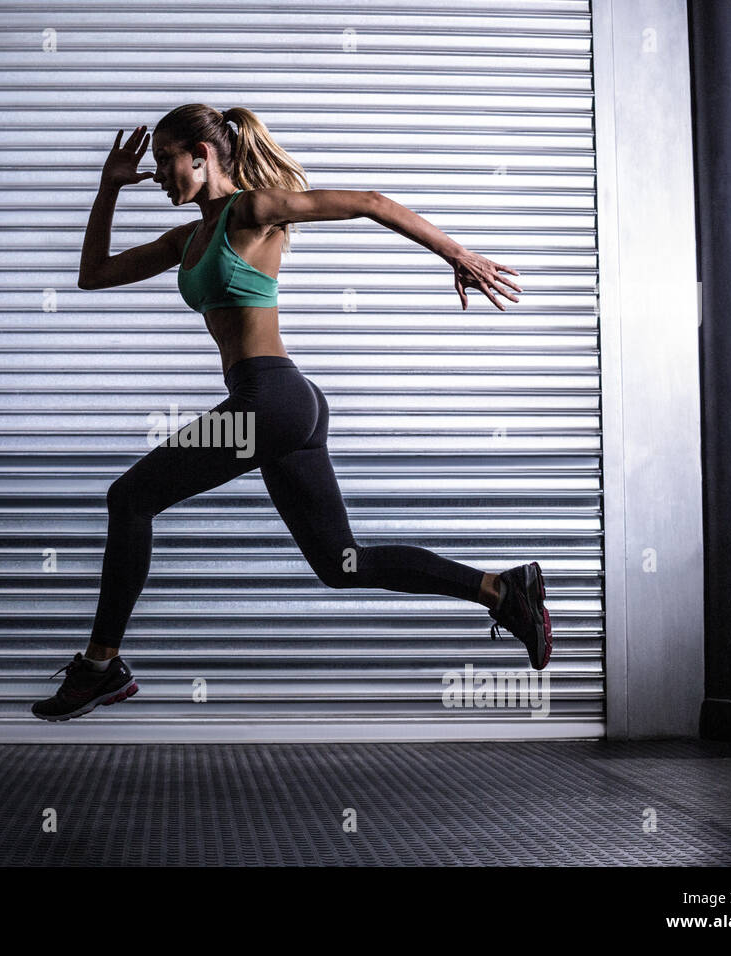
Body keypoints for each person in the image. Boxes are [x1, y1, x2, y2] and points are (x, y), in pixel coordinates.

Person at [32, 104, 549, 721]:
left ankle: (99, 666)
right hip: (281, 405)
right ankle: (500, 589)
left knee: (130, 499)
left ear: (202, 152)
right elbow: (93, 274)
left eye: (166, 158)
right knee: (340, 563)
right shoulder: (187, 238)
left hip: (268, 401)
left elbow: (370, 201)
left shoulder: (252, 210)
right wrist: (107, 188)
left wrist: (456, 254)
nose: (159, 174)